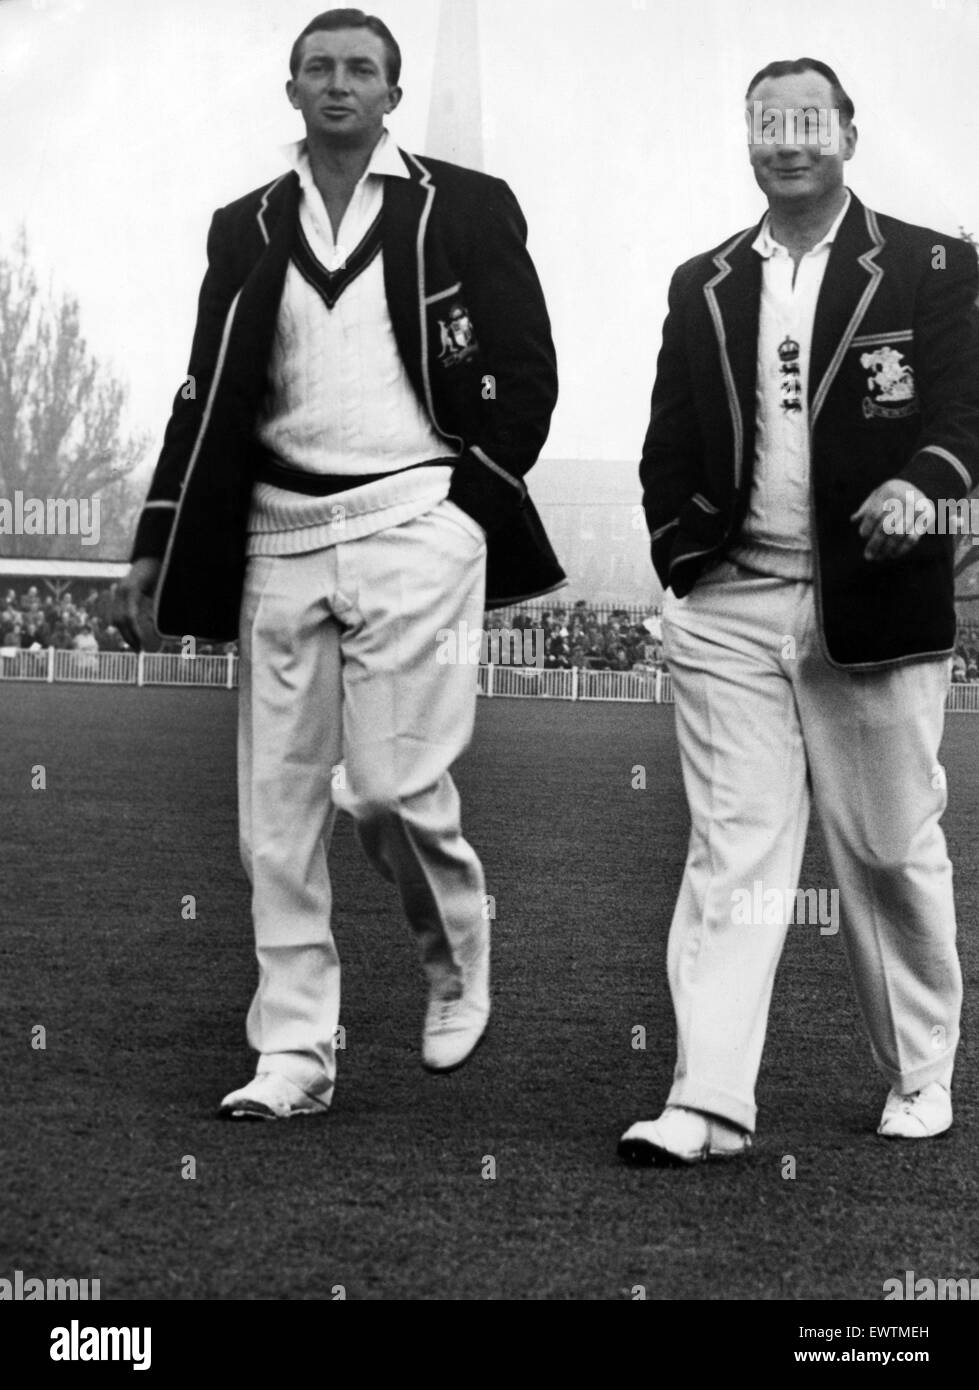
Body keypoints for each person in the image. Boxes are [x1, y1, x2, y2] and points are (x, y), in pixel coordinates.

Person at [115, 8, 561, 1121]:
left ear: (392, 95)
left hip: (418, 517)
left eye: (361, 69)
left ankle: (456, 948)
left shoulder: (463, 205)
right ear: (292, 87)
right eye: (319, 67)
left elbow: (526, 370)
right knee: (276, 816)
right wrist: (155, 541)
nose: (339, 84)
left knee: (393, 787)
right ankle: (297, 1051)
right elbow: (200, 392)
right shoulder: (246, 224)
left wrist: (470, 507)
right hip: (276, 532)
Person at [620, 58, 979, 1166]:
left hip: (872, 603)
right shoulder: (705, 280)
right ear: (747, 139)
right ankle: (709, 1101)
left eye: (807, 120)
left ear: (847, 134)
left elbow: (969, 415)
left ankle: (920, 1073)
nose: (787, 139)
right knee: (731, 850)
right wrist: (685, 554)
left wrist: (923, 487)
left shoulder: (930, 265)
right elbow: (668, 439)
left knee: (882, 847)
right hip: (732, 602)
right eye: (767, 122)